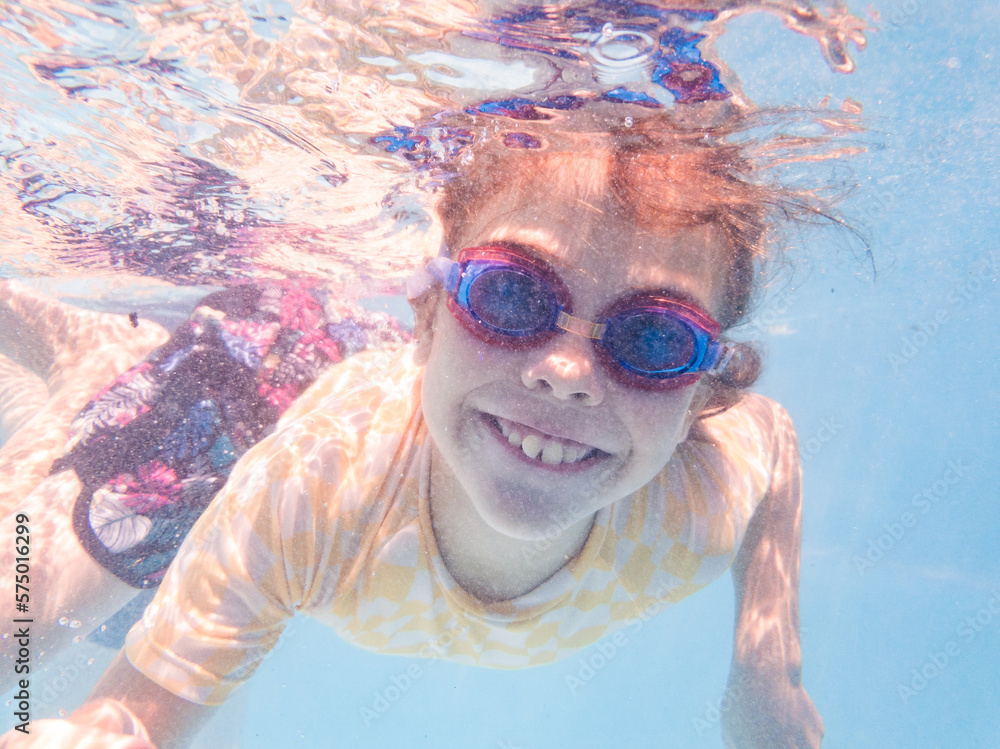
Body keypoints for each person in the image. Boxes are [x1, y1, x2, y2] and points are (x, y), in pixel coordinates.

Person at [1, 117, 832, 749]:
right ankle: (98, 347)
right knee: (23, 633)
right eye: (511, 296)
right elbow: (131, 718)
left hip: (362, 376)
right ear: (430, 313)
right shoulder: (313, 490)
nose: (566, 372)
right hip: (243, 393)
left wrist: (766, 670)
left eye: (655, 339)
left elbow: (774, 438)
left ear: (703, 394)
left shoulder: (697, 503)